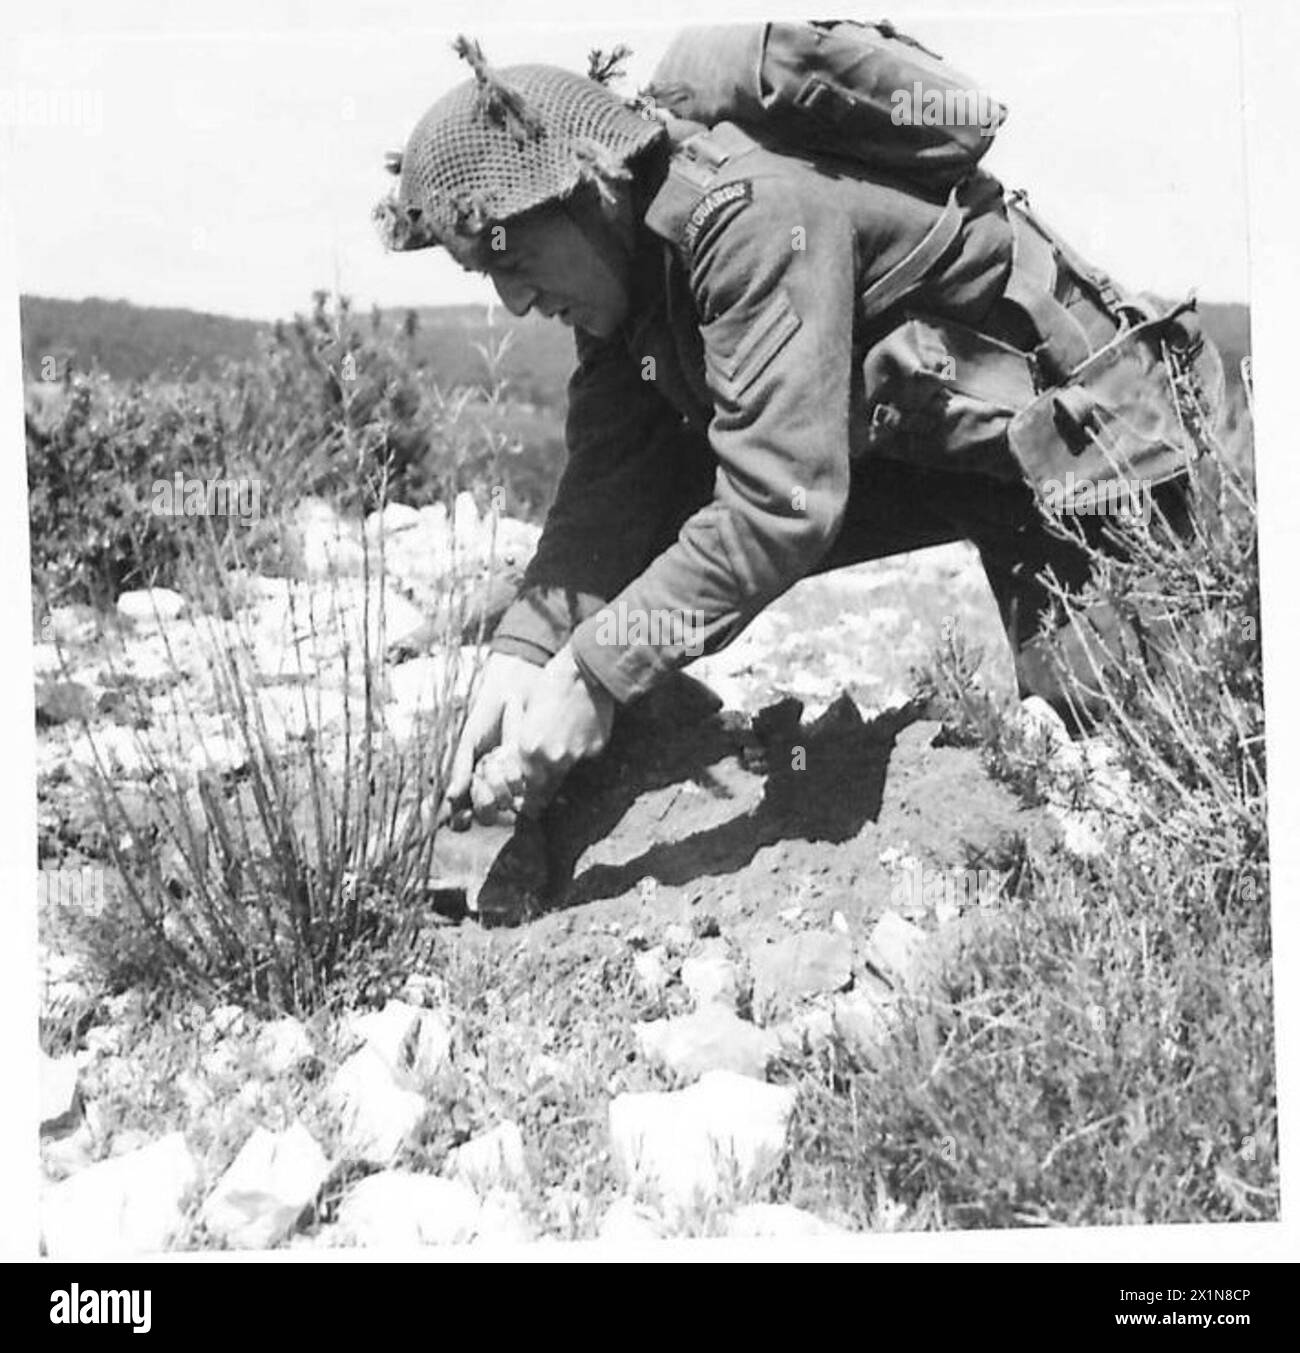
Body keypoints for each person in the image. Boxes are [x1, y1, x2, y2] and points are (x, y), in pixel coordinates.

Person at [375, 31, 1221, 830]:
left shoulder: (747, 216)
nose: (514, 303)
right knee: (640, 541)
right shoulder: (629, 274)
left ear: (589, 194)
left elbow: (781, 506)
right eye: (488, 274)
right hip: (938, 445)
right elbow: (607, 490)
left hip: (1092, 458)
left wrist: (593, 671)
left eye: (514, 263)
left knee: (1135, 758)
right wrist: (527, 652)